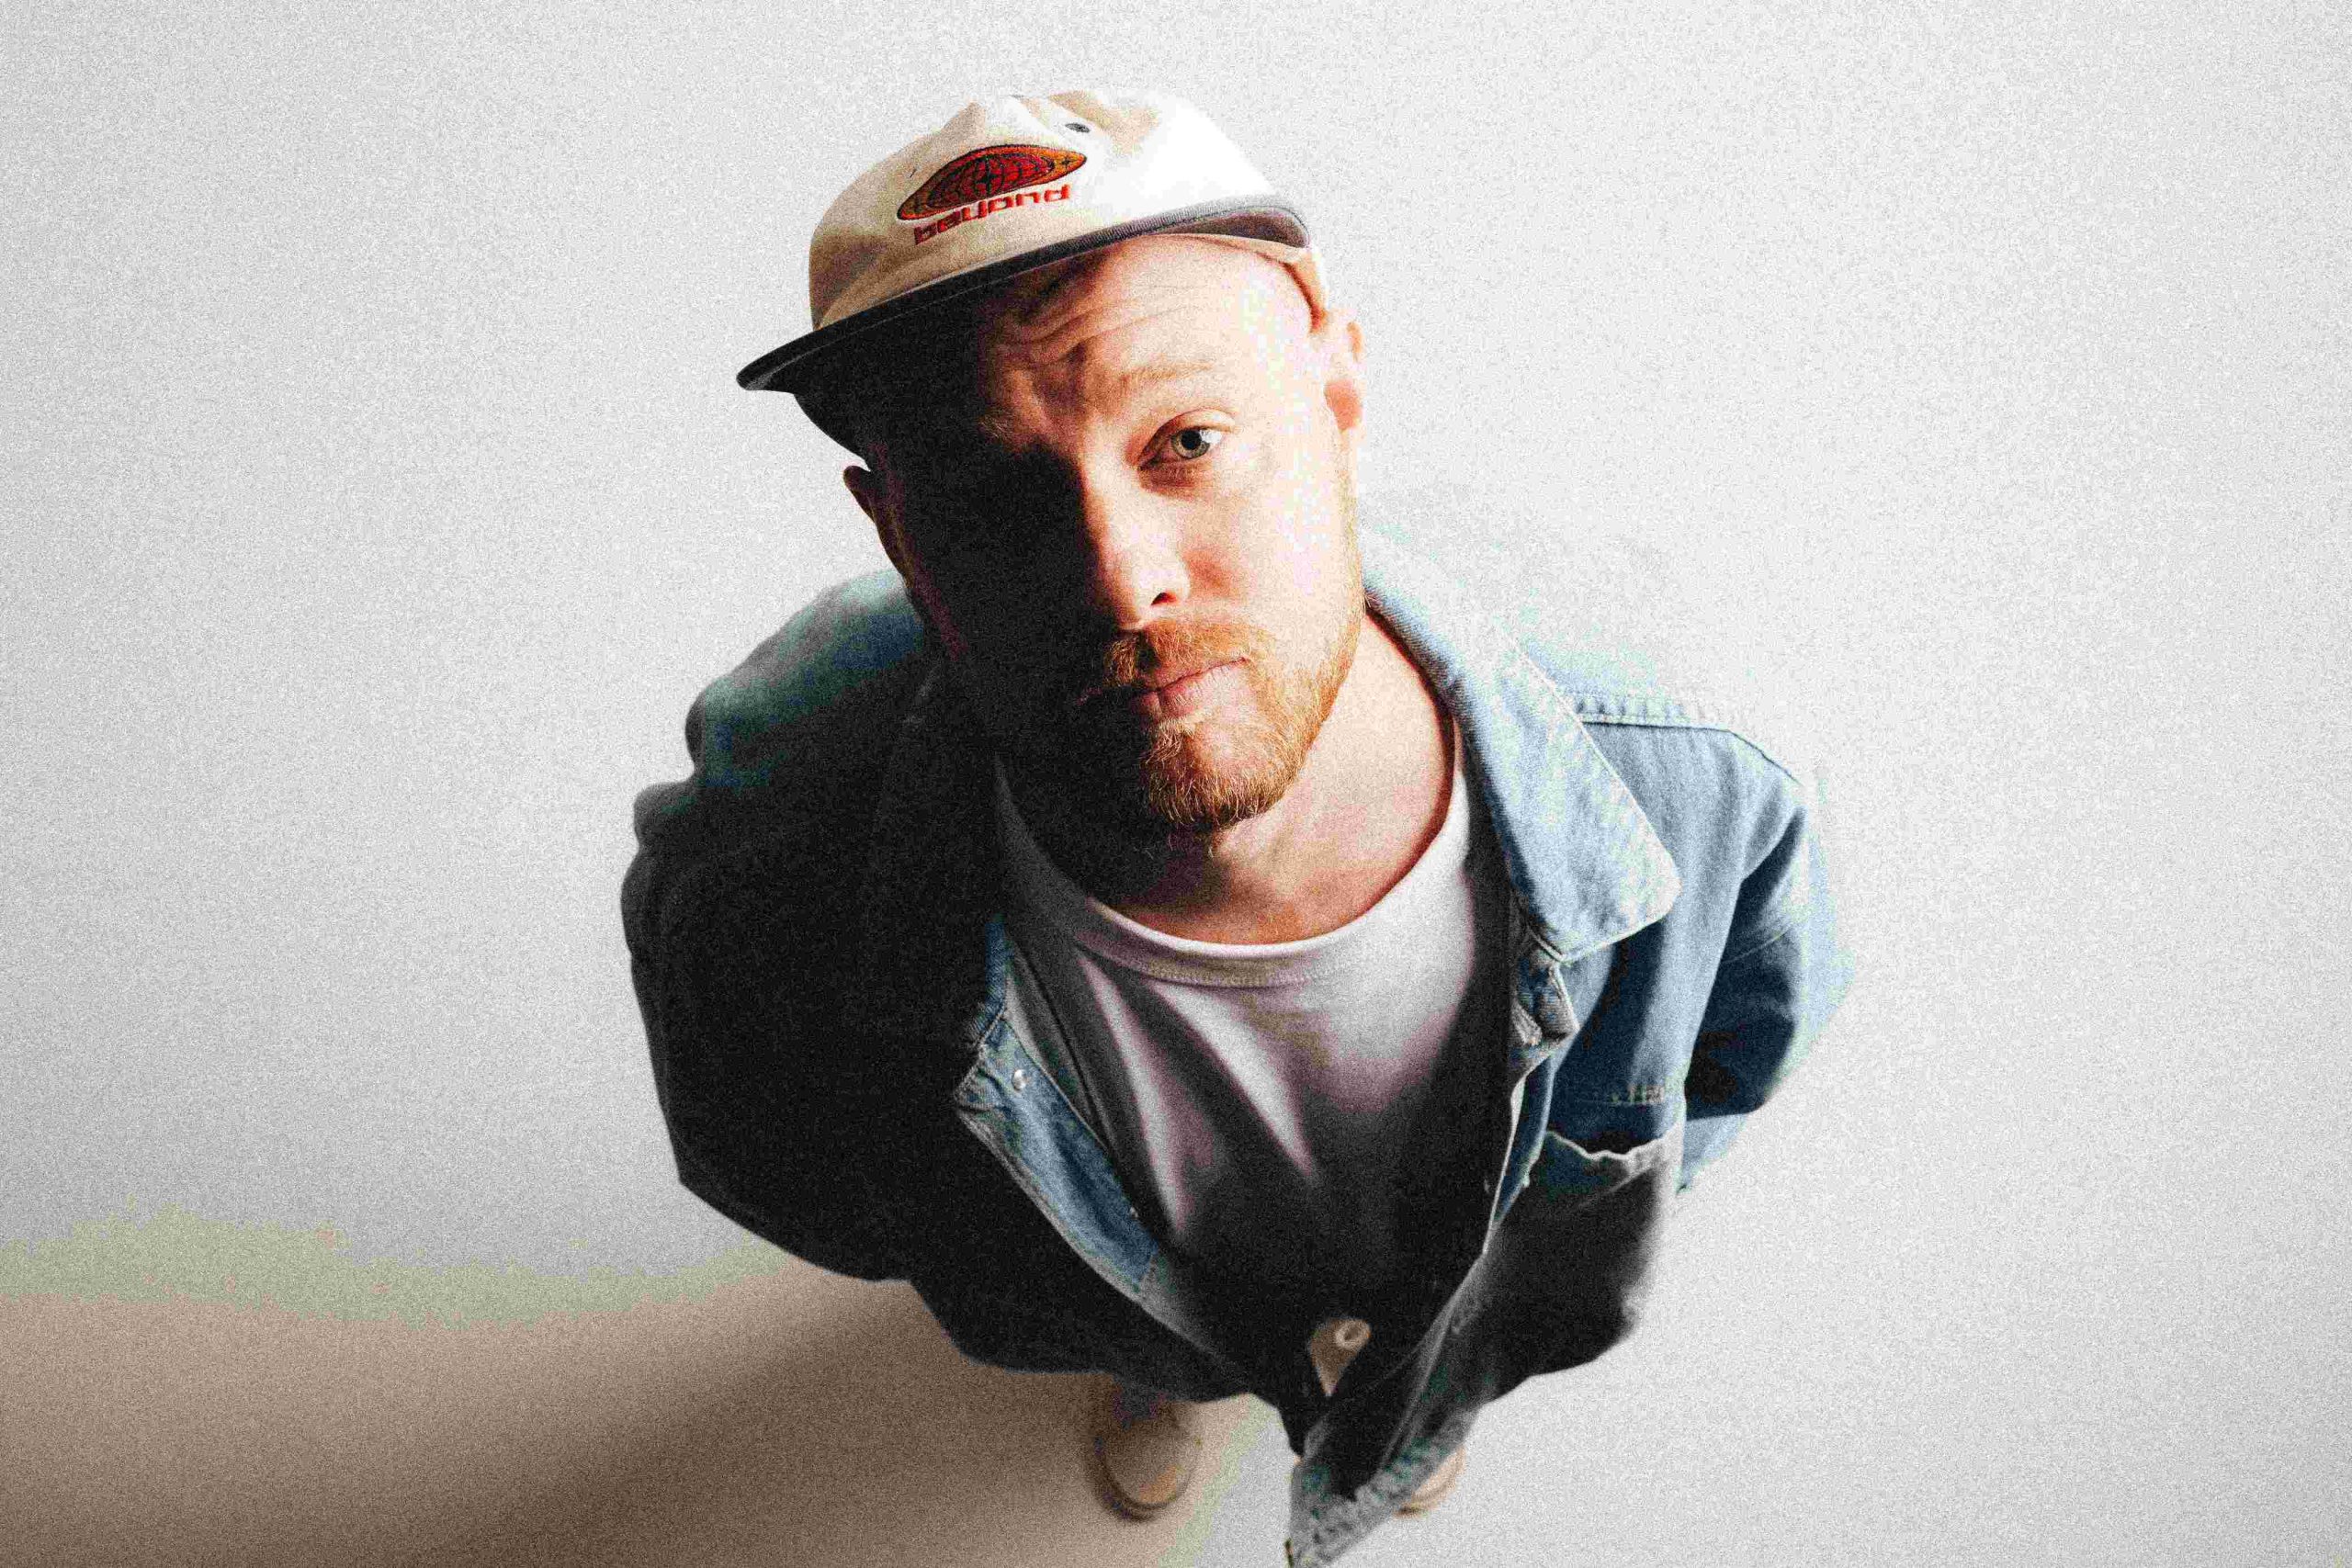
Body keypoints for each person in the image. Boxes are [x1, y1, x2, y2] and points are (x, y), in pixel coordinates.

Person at [623, 88, 1856, 1567]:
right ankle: (1163, 1350)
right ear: (896, 531)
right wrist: (1077, 1287)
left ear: (1335, 394)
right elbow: (781, 1161)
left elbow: (1730, 1054)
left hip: (1454, 1243)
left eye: (1188, 441)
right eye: (994, 494)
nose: (1119, 577)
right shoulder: (768, 859)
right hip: (1109, 1278)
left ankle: (1410, 1385)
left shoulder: (1689, 775)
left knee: (1435, 1319)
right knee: (1132, 1305)